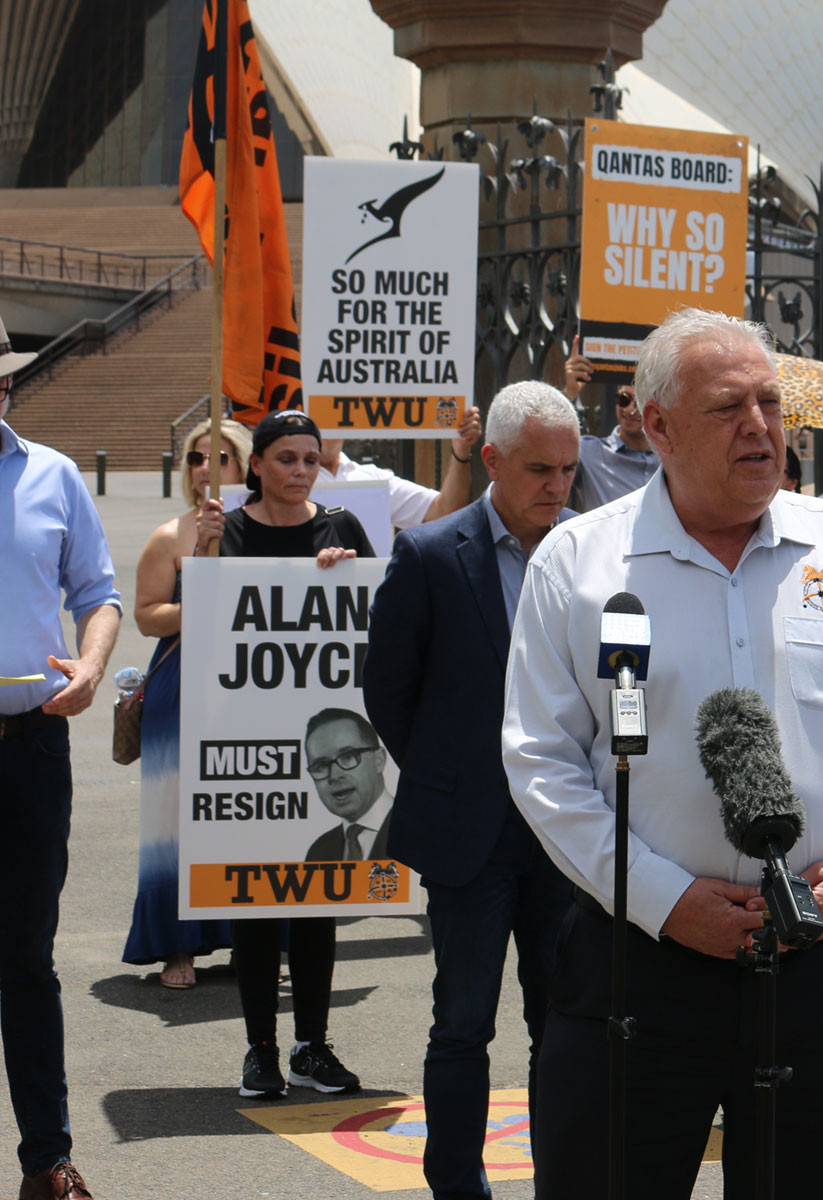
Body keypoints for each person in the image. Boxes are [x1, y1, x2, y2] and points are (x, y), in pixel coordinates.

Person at [501, 308, 823, 1198]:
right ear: (657, 424)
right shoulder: (580, 564)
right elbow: (541, 762)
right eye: (728, 408)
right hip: (641, 964)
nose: (761, 428)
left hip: (821, 966)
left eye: (771, 405)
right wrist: (666, 901)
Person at [365, 380, 582, 1199]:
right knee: (462, 1024)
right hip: (469, 837)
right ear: (490, 460)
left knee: (560, 1023)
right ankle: (458, 1186)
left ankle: (562, 1177)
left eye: (566, 469)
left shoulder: (585, 552)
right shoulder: (430, 553)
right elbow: (388, 686)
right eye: (537, 470)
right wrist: (448, 772)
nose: (555, 487)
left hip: (565, 830)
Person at [194, 409, 375, 1103]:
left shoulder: (342, 528)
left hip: (325, 745)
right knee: (258, 905)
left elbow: (377, 611)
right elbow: (204, 632)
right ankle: (260, 1050)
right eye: (287, 459)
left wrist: (349, 574)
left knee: (316, 901)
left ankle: (313, 1045)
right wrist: (204, 557)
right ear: (258, 465)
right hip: (248, 743)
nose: (301, 472)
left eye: (311, 459)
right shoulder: (226, 531)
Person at [0, 315, 119, 1200]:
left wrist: (90, 663)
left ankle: (48, 1161)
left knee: (26, 960)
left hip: (31, 744)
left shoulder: (52, 475)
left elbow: (98, 594)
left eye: (2, 377)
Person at [123, 417, 251, 988]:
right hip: (181, 685)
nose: (207, 469)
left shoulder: (265, 528)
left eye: (221, 457)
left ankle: (253, 939)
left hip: (251, 687)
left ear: (245, 466)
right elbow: (148, 613)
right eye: (198, 458)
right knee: (178, 814)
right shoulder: (167, 535)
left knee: (247, 809)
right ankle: (177, 946)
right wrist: (200, 589)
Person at [317, 405, 481, 529]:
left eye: (331, 411)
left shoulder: (374, 479)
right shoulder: (294, 477)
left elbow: (445, 511)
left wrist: (461, 451)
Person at [565, 353, 658, 509]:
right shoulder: (588, 453)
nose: (629, 410)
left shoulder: (672, 458)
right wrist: (569, 393)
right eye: (624, 399)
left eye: (639, 403)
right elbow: (543, 448)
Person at [300, 709, 392, 862]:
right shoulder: (319, 852)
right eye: (321, 766)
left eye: (348, 757)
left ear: (379, 760)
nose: (335, 776)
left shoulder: (424, 831)